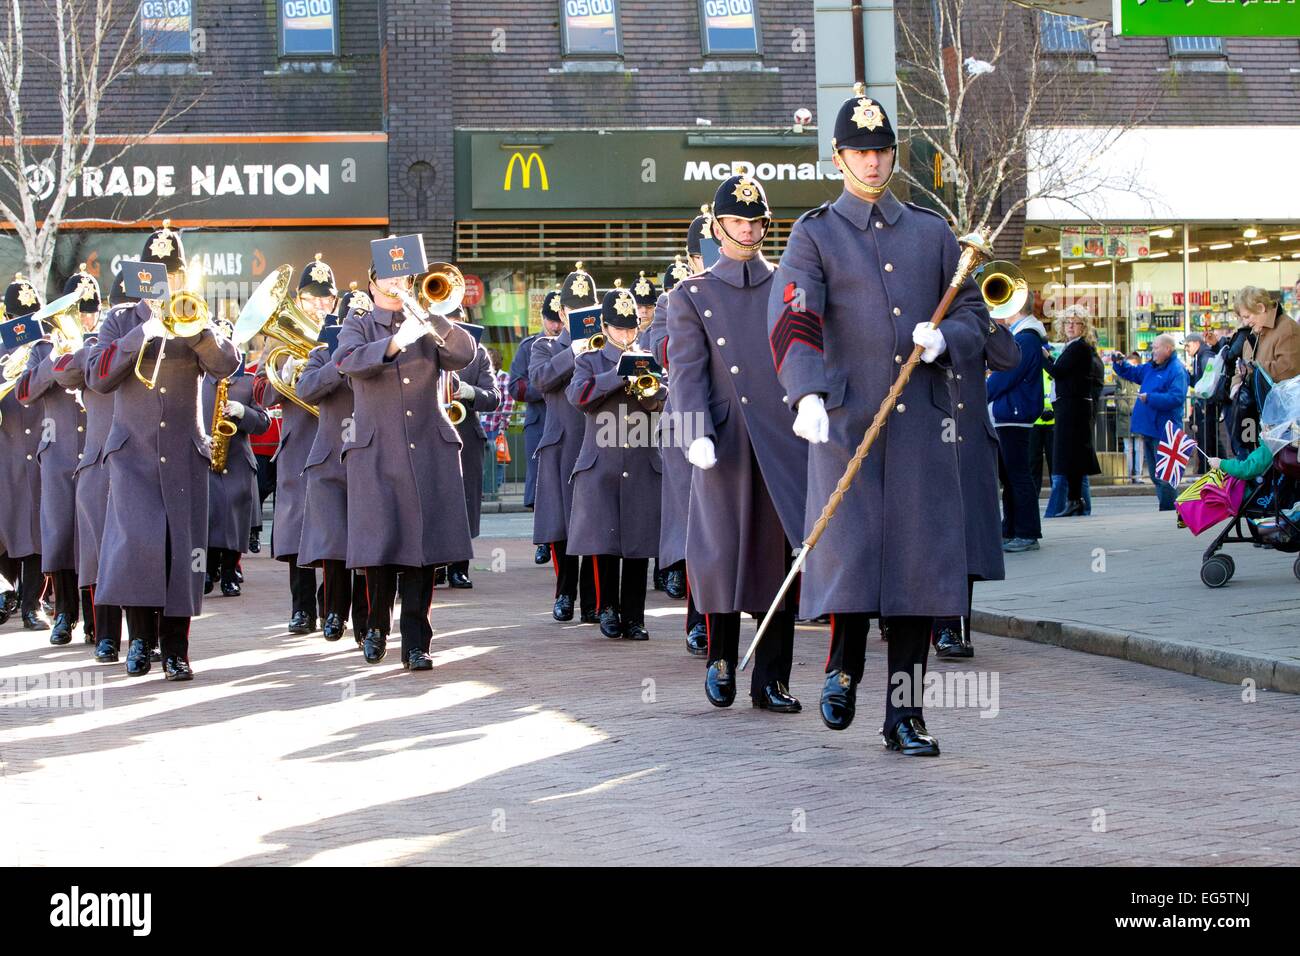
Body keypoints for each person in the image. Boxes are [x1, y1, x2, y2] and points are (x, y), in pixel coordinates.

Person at [768, 87, 990, 756]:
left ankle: (905, 715)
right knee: (850, 556)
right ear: (838, 158)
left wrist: (947, 337)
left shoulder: (931, 231)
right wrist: (807, 392)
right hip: (848, 421)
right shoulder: (814, 233)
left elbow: (977, 314)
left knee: (918, 576)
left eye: (881, 150)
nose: (872, 161)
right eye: (860, 152)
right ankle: (842, 668)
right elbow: (794, 318)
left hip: (921, 428)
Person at [670, 175, 809, 708]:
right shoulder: (693, 294)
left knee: (778, 560)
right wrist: (693, 433)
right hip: (723, 442)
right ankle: (721, 660)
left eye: (754, 221)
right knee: (721, 552)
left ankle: (772, 678)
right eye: (736, 221)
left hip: (783, 438)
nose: (746, 230)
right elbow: (685, 373)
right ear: (717, 226)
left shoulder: (789, 288)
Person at [85, 220, 241, 680]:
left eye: (173, 273)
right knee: (137, 546)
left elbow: (227, 364)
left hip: (183, 450)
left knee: (181, 551)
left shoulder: (194, 317)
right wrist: (144, 332)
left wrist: (201, 331)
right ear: (140, 277)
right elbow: (98, 375)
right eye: (156, 272)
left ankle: (176, 649)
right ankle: (140, 643)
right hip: (132, 453)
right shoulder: (119, 320)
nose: (165, 281)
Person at [335, 250, 477, 670]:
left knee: (422, 550)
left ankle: (417, 642)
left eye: (406, 280)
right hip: (377, 449)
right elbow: (347, 363)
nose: (399, 288)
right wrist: (396, 342)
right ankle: (377, 622)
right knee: (381, 546)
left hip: (426, 448)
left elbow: (464, 354)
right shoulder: (358, 323)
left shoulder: (430, 318)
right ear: (373, 284)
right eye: (390, 281)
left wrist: (432, 319)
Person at [566, 282, 665, 641]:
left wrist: (650, 386)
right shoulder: (589, 360)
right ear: (605, 328)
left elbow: (661, 401)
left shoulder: (647, 356)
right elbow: (579, 396)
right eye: (618, 328)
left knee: (638, 545)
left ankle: (635, 617)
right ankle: (607, 609)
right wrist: (617, 375)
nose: (625, 334)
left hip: (640, 460)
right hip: (601, 462)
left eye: (630, 327)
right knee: (604, 543)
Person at [15, 265, 101, 644]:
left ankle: (97, 620)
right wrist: (56, 360)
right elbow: (26, 391)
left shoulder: (102, 343)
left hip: (95, 451)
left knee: (93, 537)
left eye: (88, 308)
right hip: (58, 452)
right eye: (77, 308)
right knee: (60, 533)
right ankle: (65, 613)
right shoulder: (42, 351)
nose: (82, 316)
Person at [933, 301, 1021, 658]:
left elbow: (1008, 359)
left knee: (966, 537)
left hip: (969, 439)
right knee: (934, 536)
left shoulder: (976, 320)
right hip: (929, 434)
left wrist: (982, 316)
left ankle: (955, 628)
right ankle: (930, 623)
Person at [54, 268, 131, 661]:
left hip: (135, 459)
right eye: (117, 308)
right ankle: (104, 634)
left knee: (135, 551)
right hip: (99, 463)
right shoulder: (95, 350)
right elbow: (63, 372)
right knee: (99, 553)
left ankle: (141, 637)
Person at [263, 255, 336, 634]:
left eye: (325, 300)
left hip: (336, 438)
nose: (319, 306)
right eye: (311, 299)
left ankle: (332, 605)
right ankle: (302, 608)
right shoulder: (279, 338)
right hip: (298, 441)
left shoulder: (345, 331)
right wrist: (286, 375)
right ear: (299, 300)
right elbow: (261, 391)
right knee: (297, 527)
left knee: (334, 524)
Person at [296, 292, 370, 644]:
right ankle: (334, 613)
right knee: (334, 544)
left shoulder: (380, 354)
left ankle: (367, 618)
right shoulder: (323, 353)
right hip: (329, 458)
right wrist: (338, 362)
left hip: (370, 456)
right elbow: (306, 389)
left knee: (369, 543)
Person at [644, 254, 706, 654]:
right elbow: (663, 351)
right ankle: (700, 622)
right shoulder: (674, 299)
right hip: (688, 421)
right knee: (698, 526)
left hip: (740, 417)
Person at [530, 263, 599, 624]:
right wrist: (573, 350)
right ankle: (564, 594)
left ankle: (592, 601)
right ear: (562, 311)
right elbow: (540, 380)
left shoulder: (607, 341)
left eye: (589, 309)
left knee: (594, 525)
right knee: (562, 527)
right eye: (575, 310)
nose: (581, 315)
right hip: (561, 444)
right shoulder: (545, 346)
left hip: (595, 440)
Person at [0, 275, 46, 631]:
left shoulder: (48, 347)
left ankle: (32, 605)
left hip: (41, 449)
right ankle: (8, 595)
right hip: (6, 449)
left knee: (35, 533)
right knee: (6, 530)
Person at [202, 361, 270, 598]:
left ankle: (230, 573)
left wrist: (242, 411)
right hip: (205, 457)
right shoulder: (198, 380)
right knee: (208, 516)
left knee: (236, 520)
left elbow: (263, 422)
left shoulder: (248, 383)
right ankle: (207, 570)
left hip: (238, 460)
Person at [987, 300, 1046, 553]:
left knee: (1017, 476)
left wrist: (979, 391)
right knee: (1011, 476)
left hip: (1013, 414)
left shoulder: (1026, 338)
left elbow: (1006, 372)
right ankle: (1011, 528)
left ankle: (1026, 531)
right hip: (1010, 413)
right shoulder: (1025, 337)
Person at [446, 318, 501, 589]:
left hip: (465, 433)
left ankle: (459, 567)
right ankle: (432, 566)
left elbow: (493, 396)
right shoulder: (422, 344)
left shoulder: (477, 353)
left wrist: (469, 392)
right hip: (428, 431)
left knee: (464, 503)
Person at [1111, 332, 1190, 511]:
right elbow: (1132, 372)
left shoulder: (1177, 370)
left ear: (1168, 349)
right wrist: (1119, 363)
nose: (1152, 351)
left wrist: (1151, 398)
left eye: (1156, 348)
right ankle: (1167, 508)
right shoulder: (1152, 367)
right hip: (1149, 427)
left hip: (1165, 429)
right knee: (1156, 475)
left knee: (1164, 475)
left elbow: (1177, 397)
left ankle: (1169, 509)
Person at [511, 287, 561, 565]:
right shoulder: (529, 347)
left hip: (566, 420)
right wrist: (547, 386)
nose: (555, 325)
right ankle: (543, 540)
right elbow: (515, 387)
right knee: (540, 485)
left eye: (559, 319)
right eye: (550, 320)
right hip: (539, 422)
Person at [1041, 304, 1104, 518]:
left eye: (1076, 323)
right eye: (1068, 322)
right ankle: (1075, 501)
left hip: (1073, 408)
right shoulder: (1073, 346)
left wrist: (1042, 356)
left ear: (1083, 327)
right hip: (1070, 406)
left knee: (1071, 456)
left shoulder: (1079, 347)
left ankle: (1075, 501)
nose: (1071, 326)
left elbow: (1057, 372)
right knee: (1072, 456)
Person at [481, 347, 514, 497]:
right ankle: (484, 488)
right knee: (483, 457)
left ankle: (494, 487)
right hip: (481, 424)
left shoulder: (503, 378)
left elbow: (507, 403)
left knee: (498, 457)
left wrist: (503, 425)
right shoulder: (482, 376)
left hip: (494, 424)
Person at [1115, 351, 1145, 482]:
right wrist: (1130, 409)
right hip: (1125, 419)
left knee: (1139, 448)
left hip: (1138, 420)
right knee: (1128, 448)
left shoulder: (1142, 380)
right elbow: (1119, 399)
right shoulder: (1121, 380)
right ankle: (1128, 476)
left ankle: (1138, 476)